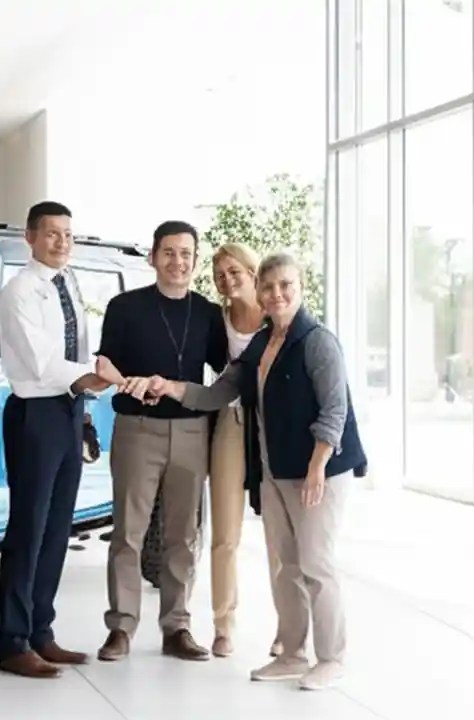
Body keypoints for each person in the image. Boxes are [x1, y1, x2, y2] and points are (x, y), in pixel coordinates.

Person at [122, 252, 366, 691]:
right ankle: (292, 654)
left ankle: (331, 658)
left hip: (318, 472)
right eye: (269, 288)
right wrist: (171, 386)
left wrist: (316, 467)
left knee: (316, 563)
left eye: (285, 286)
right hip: (274, 472)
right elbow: (220, 393)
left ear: (301, 287)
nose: (276, 295)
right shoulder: (263, 342)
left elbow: (335, 410)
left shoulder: (317, 340)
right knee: (286, 566)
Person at [0, 200, 123, 679]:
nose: (62, 242)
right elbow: (43, 363)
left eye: (68, 234)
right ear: (30, 237)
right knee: (28, 528)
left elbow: (77, 353)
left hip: (68, 411)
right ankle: (11, 642)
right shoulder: (19, 292)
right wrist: (96, 375)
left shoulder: (68, 283)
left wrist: (86, 397)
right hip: (35, 413)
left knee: (57, 528)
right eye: (51, 233)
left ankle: (41, 632)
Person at [93, 221, 226, 662]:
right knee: (128, 535)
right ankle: (122, 628)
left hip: (191, 431)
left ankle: (177, 628)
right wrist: (127, 382)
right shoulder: (125, 307)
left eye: (186, 254)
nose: (177, 262)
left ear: (194, 260)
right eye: (168, 252)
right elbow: (104, 362)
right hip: (138, 430)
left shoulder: (207, 313)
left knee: (182, 536)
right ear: (153, 257)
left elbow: (228, 368)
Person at [205, 243, 284, 659]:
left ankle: (287, 627)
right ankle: (223, 625)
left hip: (274, 428)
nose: (227, 280)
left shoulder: (277, 317)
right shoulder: (217, 321)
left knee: (278, 534)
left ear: (252, 272)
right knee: (225, 533)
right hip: (231, 423)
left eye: (234, 271)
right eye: (219, 275)